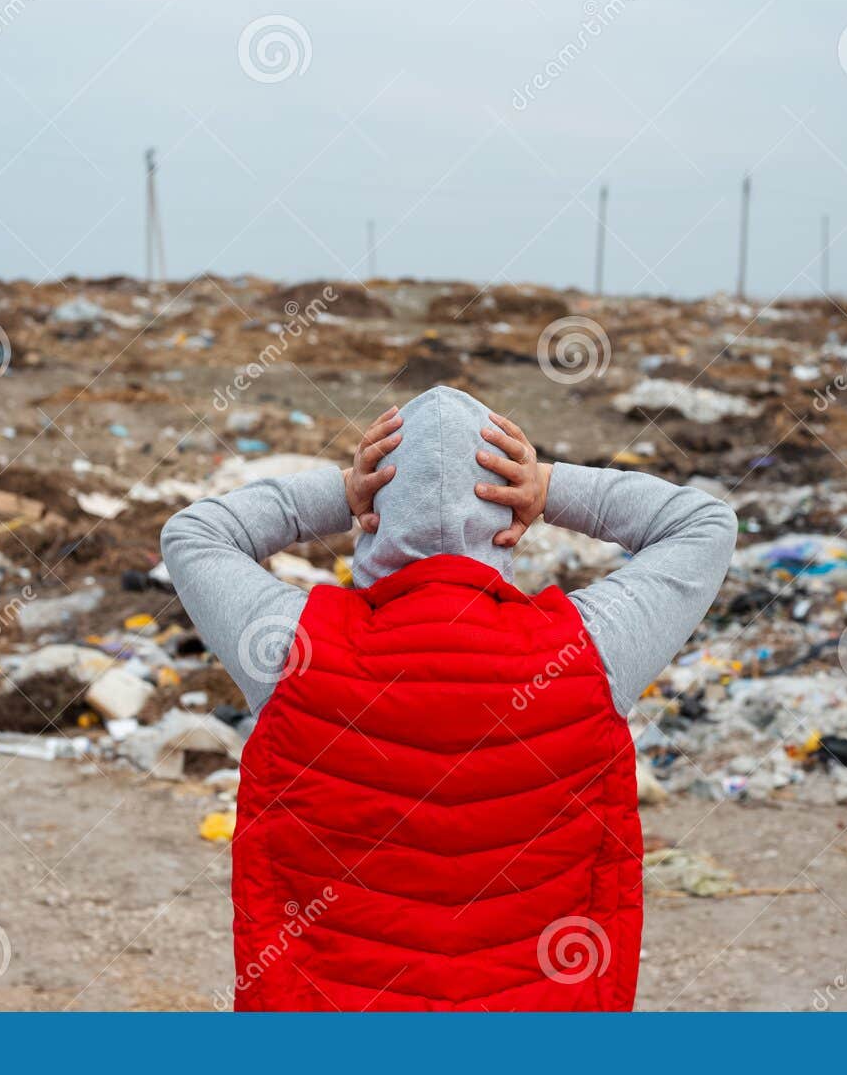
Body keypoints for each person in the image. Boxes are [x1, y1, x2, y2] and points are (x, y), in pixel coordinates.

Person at [162, 385, 736, 1010]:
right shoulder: (590, 649)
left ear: (375, 512)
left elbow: (195, 534)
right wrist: (549, 485)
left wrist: (339, 493)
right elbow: (705, 524)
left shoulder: (289, 649)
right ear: (505, 525)